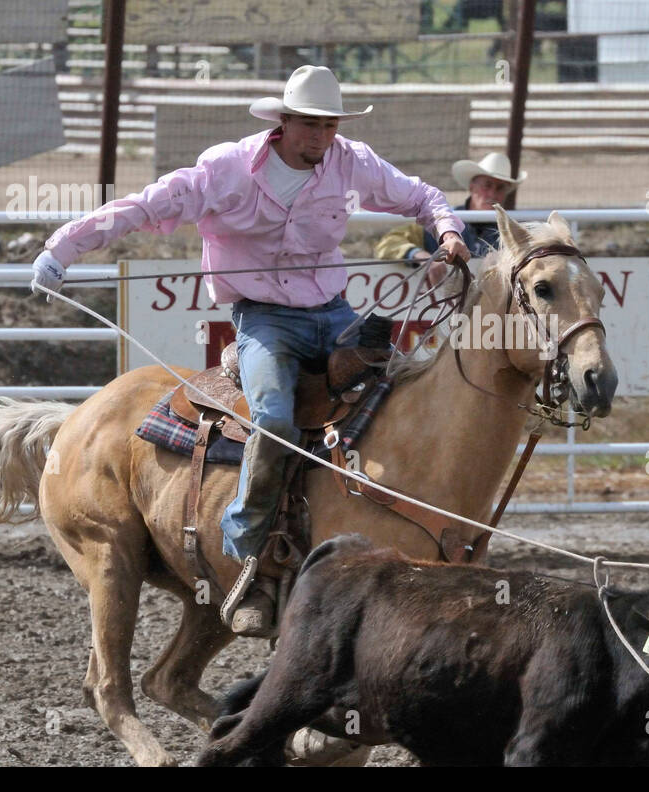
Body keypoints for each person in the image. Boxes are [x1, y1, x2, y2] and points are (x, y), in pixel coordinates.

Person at [31, 65, 469, 635]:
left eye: (329, 124)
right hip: (265, 320)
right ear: (282, 123)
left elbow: (423, 196)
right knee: (276, 421)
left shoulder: (350, 160)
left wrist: (450, 233)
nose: (321, 136)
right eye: (310, 124)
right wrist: (61, 250)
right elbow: (142, 207)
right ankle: (245, 548)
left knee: (404, 397)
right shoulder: (226, 170)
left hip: (333, 312)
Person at [374, 151, 526, 264]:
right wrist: (422, 257)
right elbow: (387, 243)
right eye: (487, 185)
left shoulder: (514, 230)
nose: (492, 193)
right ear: (472, 187)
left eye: (500, 188)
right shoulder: (441, 219)